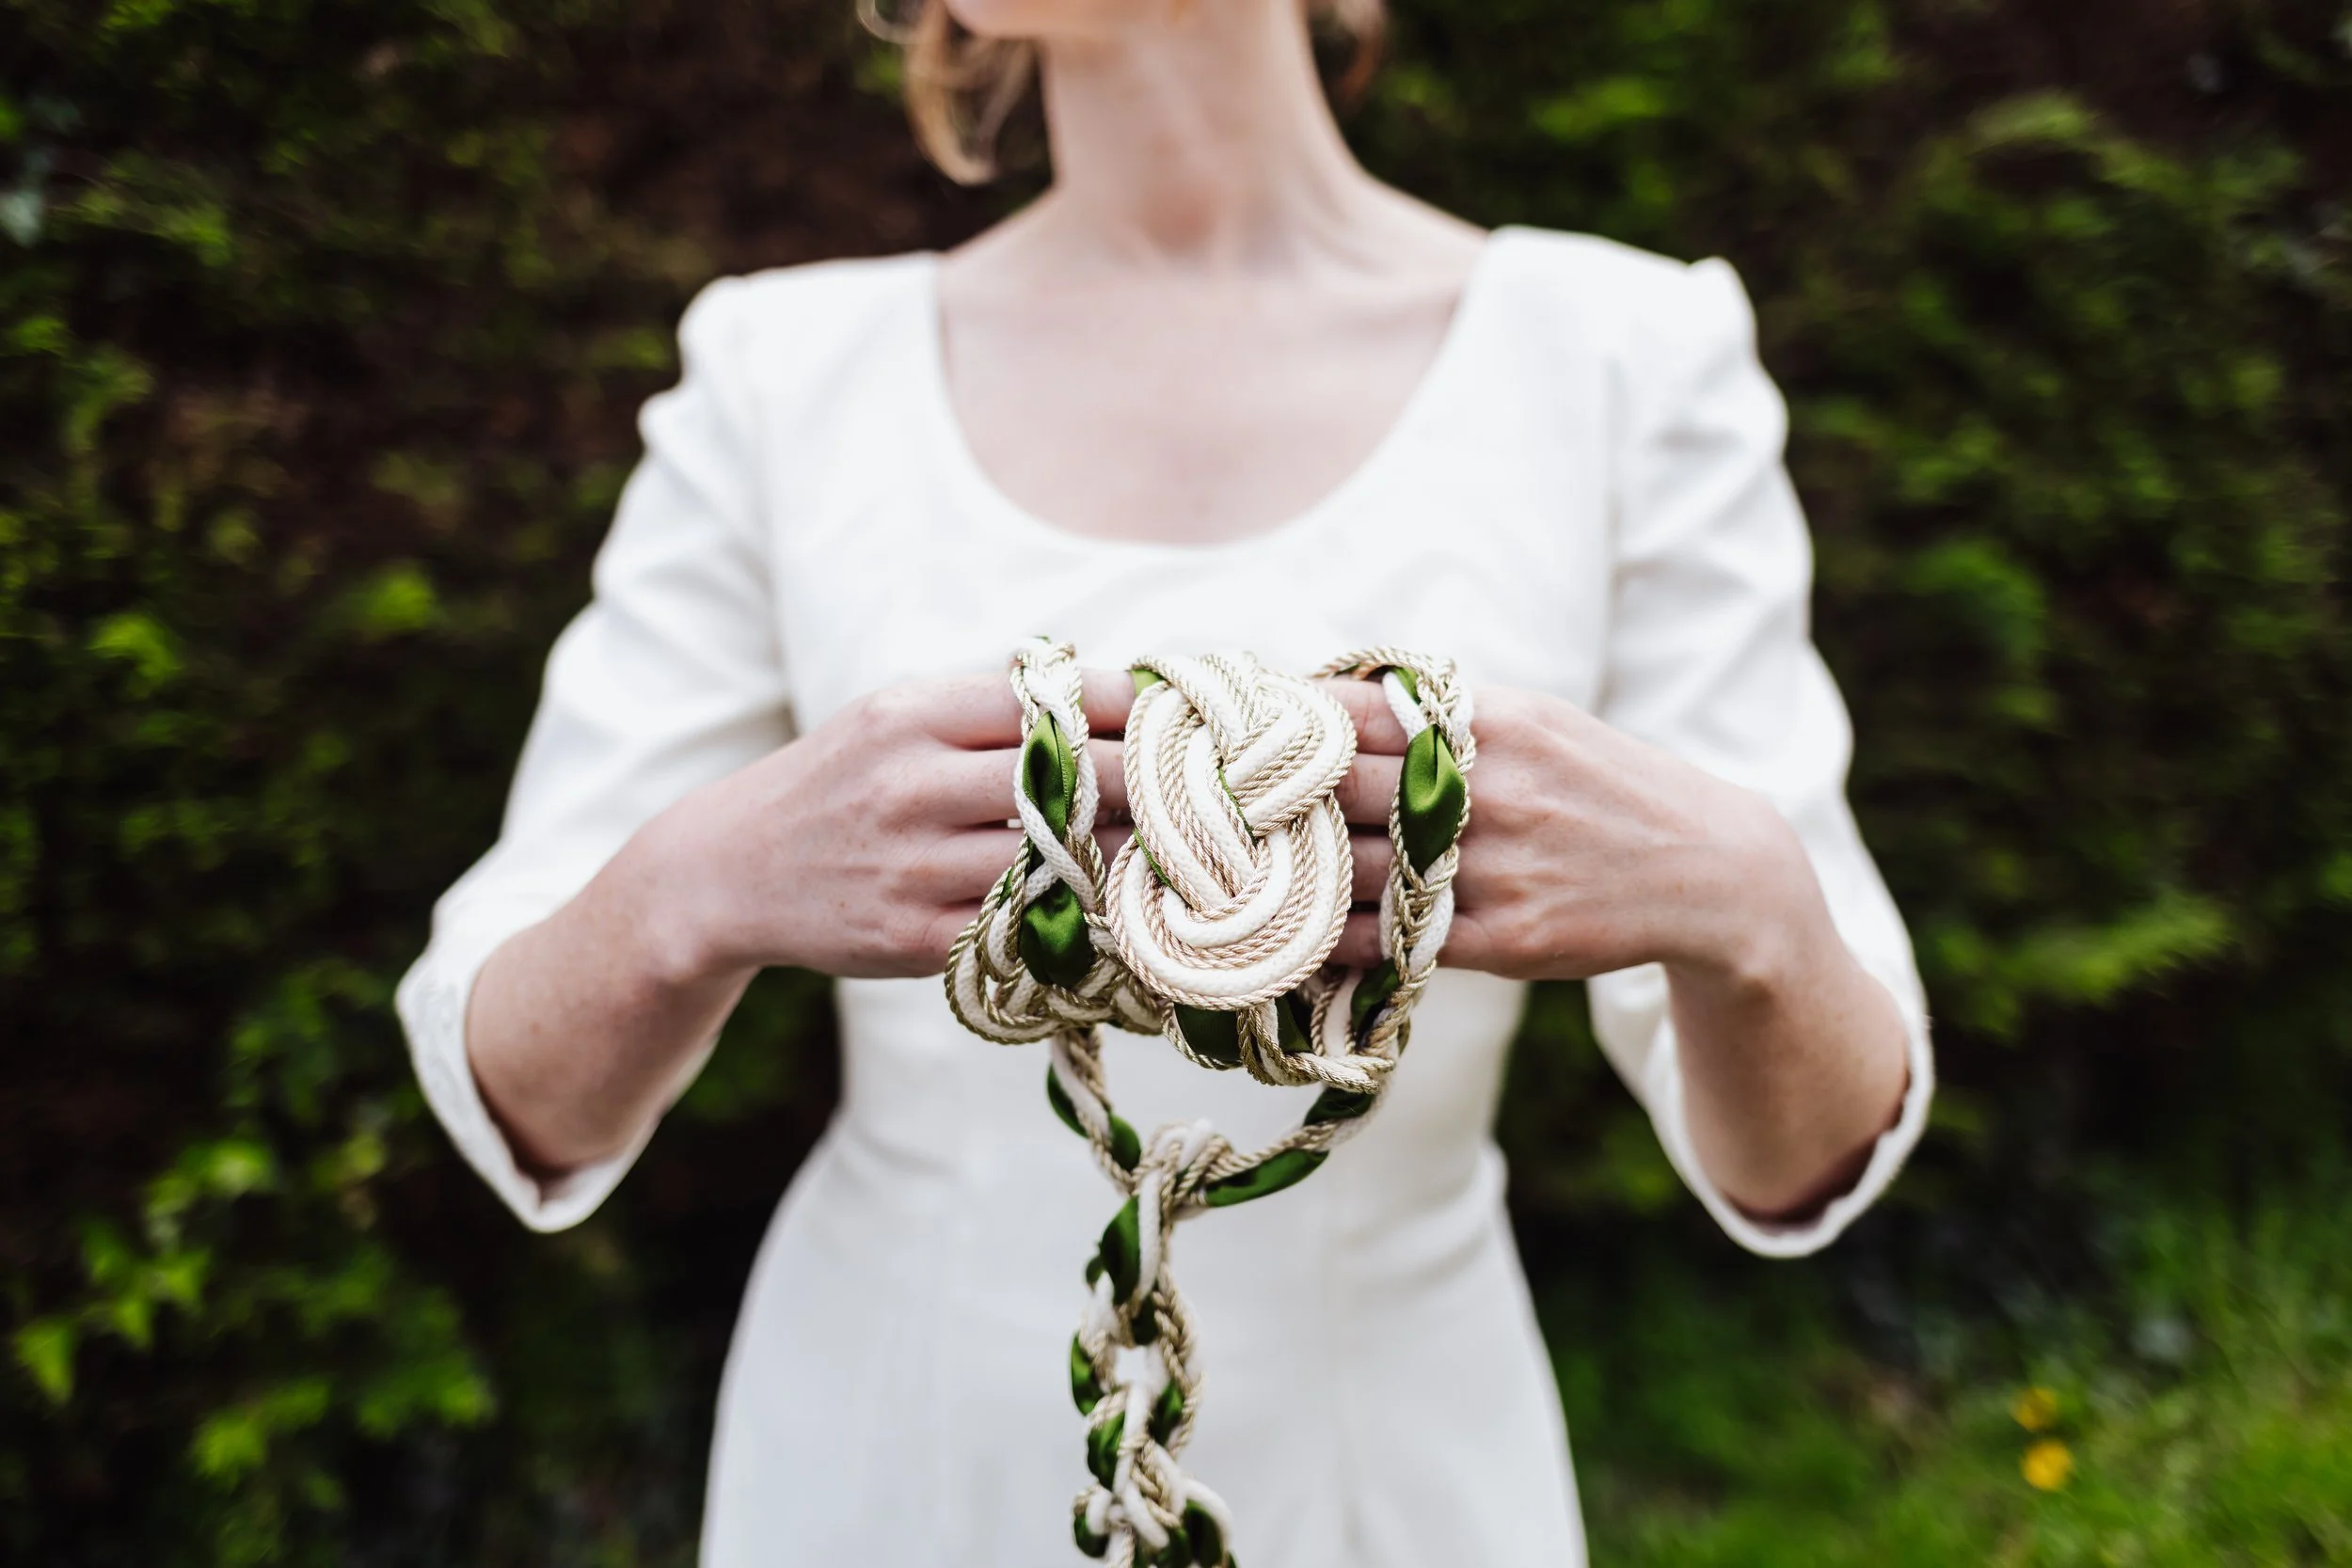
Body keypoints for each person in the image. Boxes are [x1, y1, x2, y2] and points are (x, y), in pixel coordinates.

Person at [395, 0, 1934, 1561]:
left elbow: (1799, 1154)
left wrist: (1745, 905)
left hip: (1394, 1474)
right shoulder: (783, 375)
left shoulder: (1622, 359)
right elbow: (519, 1087)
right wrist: (695, 887)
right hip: (886, 1460)